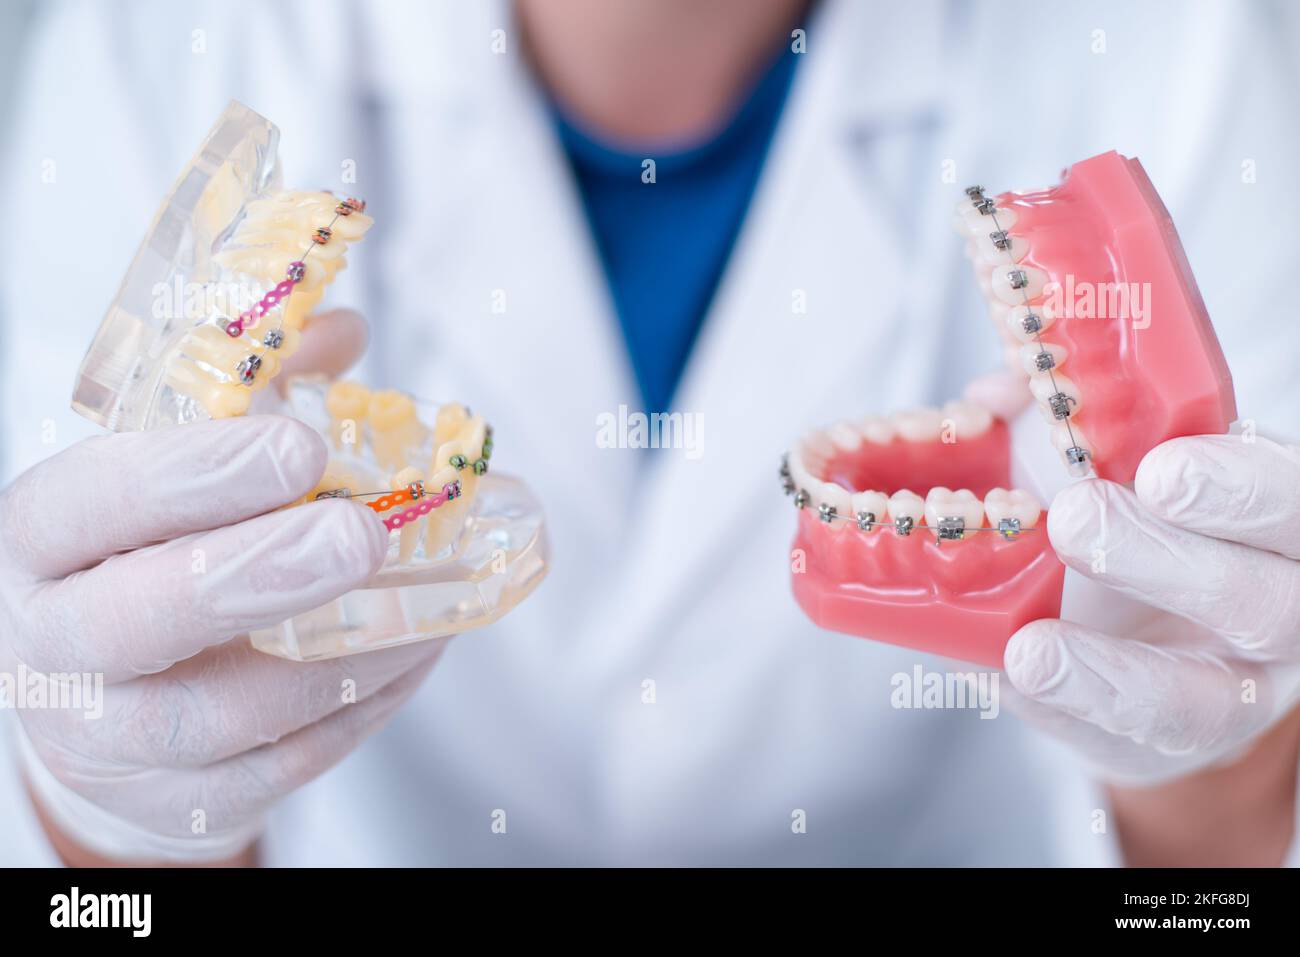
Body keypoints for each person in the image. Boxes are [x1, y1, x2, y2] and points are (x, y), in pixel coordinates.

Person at [1, 0, 1298, 867]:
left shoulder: (1167, 51)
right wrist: (112, 812)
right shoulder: (154, 42)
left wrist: (1217, 753)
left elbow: (1217, 888)